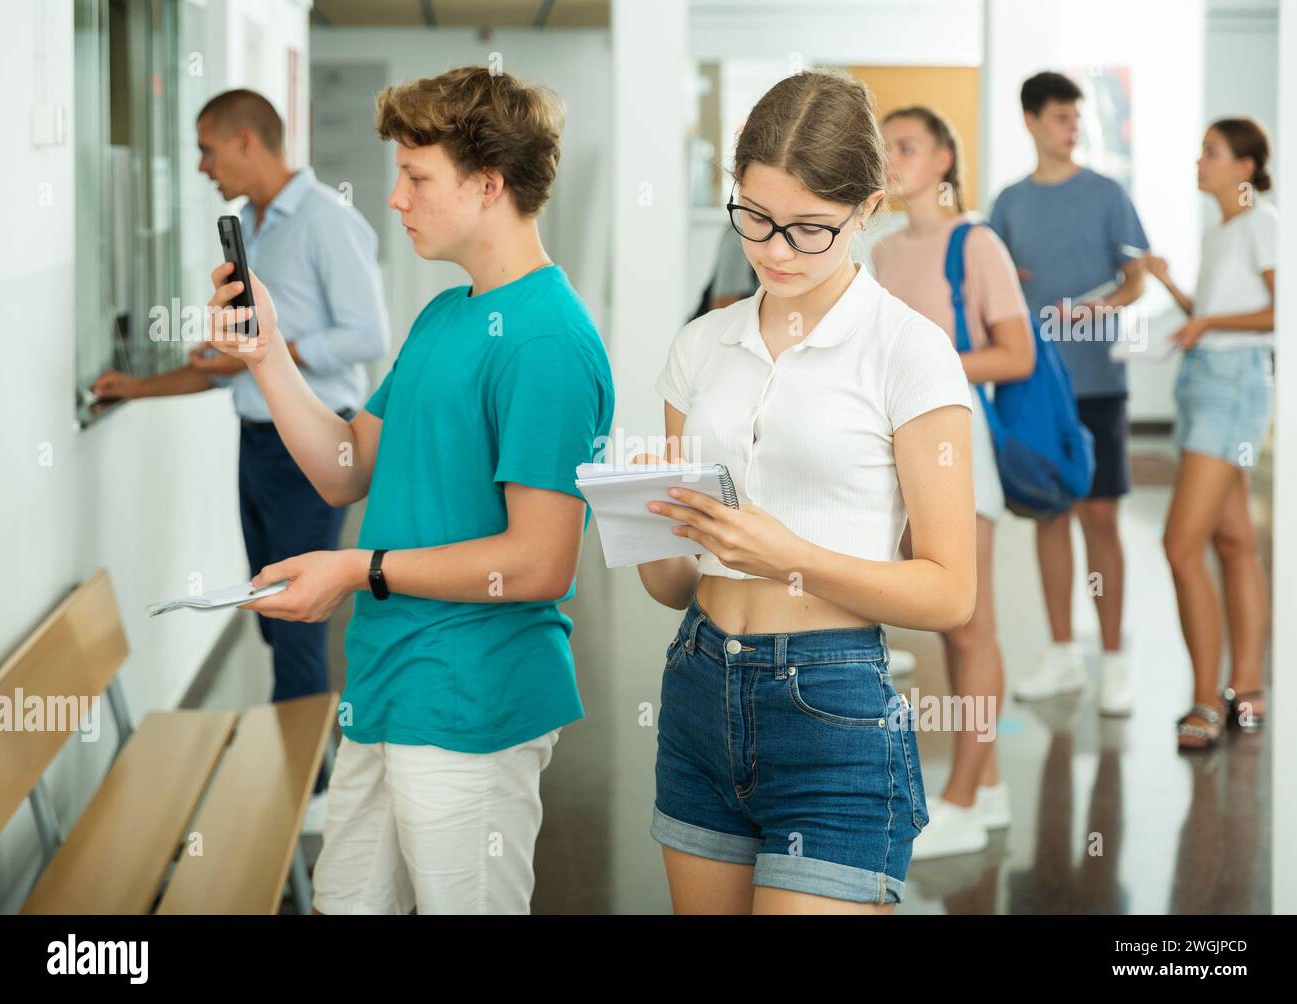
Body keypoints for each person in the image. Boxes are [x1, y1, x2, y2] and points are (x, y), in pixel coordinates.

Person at [202, 67, 615, 914]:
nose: (395, 199)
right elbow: (349, 466)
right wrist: (267, 354)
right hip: (387, 682)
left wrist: (359, 570)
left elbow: (538, 562)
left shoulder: (547, 342)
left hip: (472, 700)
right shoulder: (445, 315)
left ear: (489, 183)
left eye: (417, 177)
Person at [637, 71, 977, 914]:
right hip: (697, 680)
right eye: (754, 216)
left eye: (810, 228)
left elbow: (950, 590)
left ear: (867, 208)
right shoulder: (700, 347)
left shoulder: (910, 352)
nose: (775, 250)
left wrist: (791, 557)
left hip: (832, 708)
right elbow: (674, 581)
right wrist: (644, 528)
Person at [92, 89, 390, 720]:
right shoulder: (252, 228)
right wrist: (136, 386)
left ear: (246, 141)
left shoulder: (325, 221)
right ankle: (303, 766)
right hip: (256, 444)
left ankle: (306, 790)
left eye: (207, 149)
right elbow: (238, 367)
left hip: (311, 450)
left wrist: (273, 350)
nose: (201, 167)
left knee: (296, 623)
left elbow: (368, 335)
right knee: (268, 611)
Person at [872, 106, 1035, 859]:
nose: (893, 157)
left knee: (971, 624)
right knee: (947, 623)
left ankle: (964, 798)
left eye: (907, 145)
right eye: (887, 146)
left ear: (943, 159)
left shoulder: (978, 244)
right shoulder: (883, 254)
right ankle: (989, 783)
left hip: (959, 443)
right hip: (904, 444)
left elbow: (1018, 356)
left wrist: (926, 369)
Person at [987, 71, 1149, 714]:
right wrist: (1007, 275)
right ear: (1031, 121)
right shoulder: (1008, 203)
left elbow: (1136, 278)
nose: (1072, 128)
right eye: (1060, 117)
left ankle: (1113, 660)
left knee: (1101, 517)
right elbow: (990, 281)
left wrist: (1101, 305)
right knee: (1049, 513)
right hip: (1033, 384)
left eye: (1077, 118)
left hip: (1099, 383)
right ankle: (1061, 654)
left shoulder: (1109, 193)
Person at [1144, 118, 1276, 750]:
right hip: (1205, 380)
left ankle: (1204, 701)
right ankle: (1247, 689)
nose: (1199, 162)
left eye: (1212, 153)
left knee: (1178, 545)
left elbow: (1282, 310)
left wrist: (1209, 323)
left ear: (1245, 167)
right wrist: (1171, 285)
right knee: (1233, 541)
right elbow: (1213, 316)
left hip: (1234, 385)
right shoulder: (1220, 231)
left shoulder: (1263, 224)